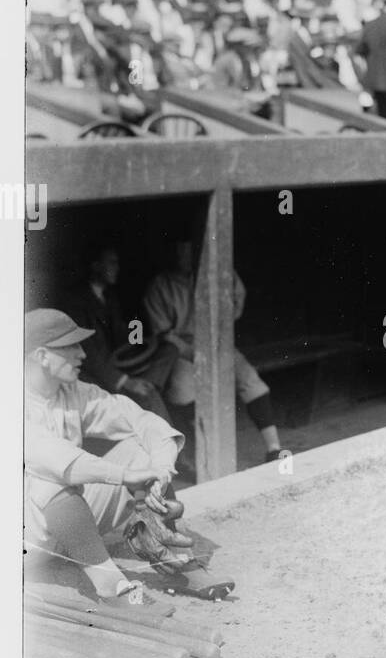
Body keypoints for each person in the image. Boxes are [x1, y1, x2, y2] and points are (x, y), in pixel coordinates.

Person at [24, 309, 191, 607]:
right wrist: (125, 477)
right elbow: (53, 457)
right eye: (70, 346)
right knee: (49, 479)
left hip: (67, 530)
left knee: (141, 453)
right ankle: (111, 587)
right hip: (23, 540)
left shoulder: (73, 392)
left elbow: (138, 419)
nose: (82, 354)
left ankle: (169, 556)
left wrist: (161, 468)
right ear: (41, 355)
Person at [142, 240, 282, 464]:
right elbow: (163, 333)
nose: (184, 258)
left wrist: (223, 323)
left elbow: (238, 297)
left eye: (188, 252)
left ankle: (274, 448)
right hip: (182, 348)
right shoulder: (160, 285)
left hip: (217, 341)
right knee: (181, 391)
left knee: (250, 380)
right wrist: (192, 354)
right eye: (179, 253)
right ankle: (203, 454)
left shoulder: (214, 272)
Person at [62, 242, 178, 419]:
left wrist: (142, 343)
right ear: (96, 265)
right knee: (148, 395)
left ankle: (142, 389)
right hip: (98, 375)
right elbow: (89, 356)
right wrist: (125, 381)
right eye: (112, 262)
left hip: (119, 365)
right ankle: (143, 395)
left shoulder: (111, 297)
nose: (117, 268)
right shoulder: (75, 301)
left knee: (169, 350)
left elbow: (124, 340)